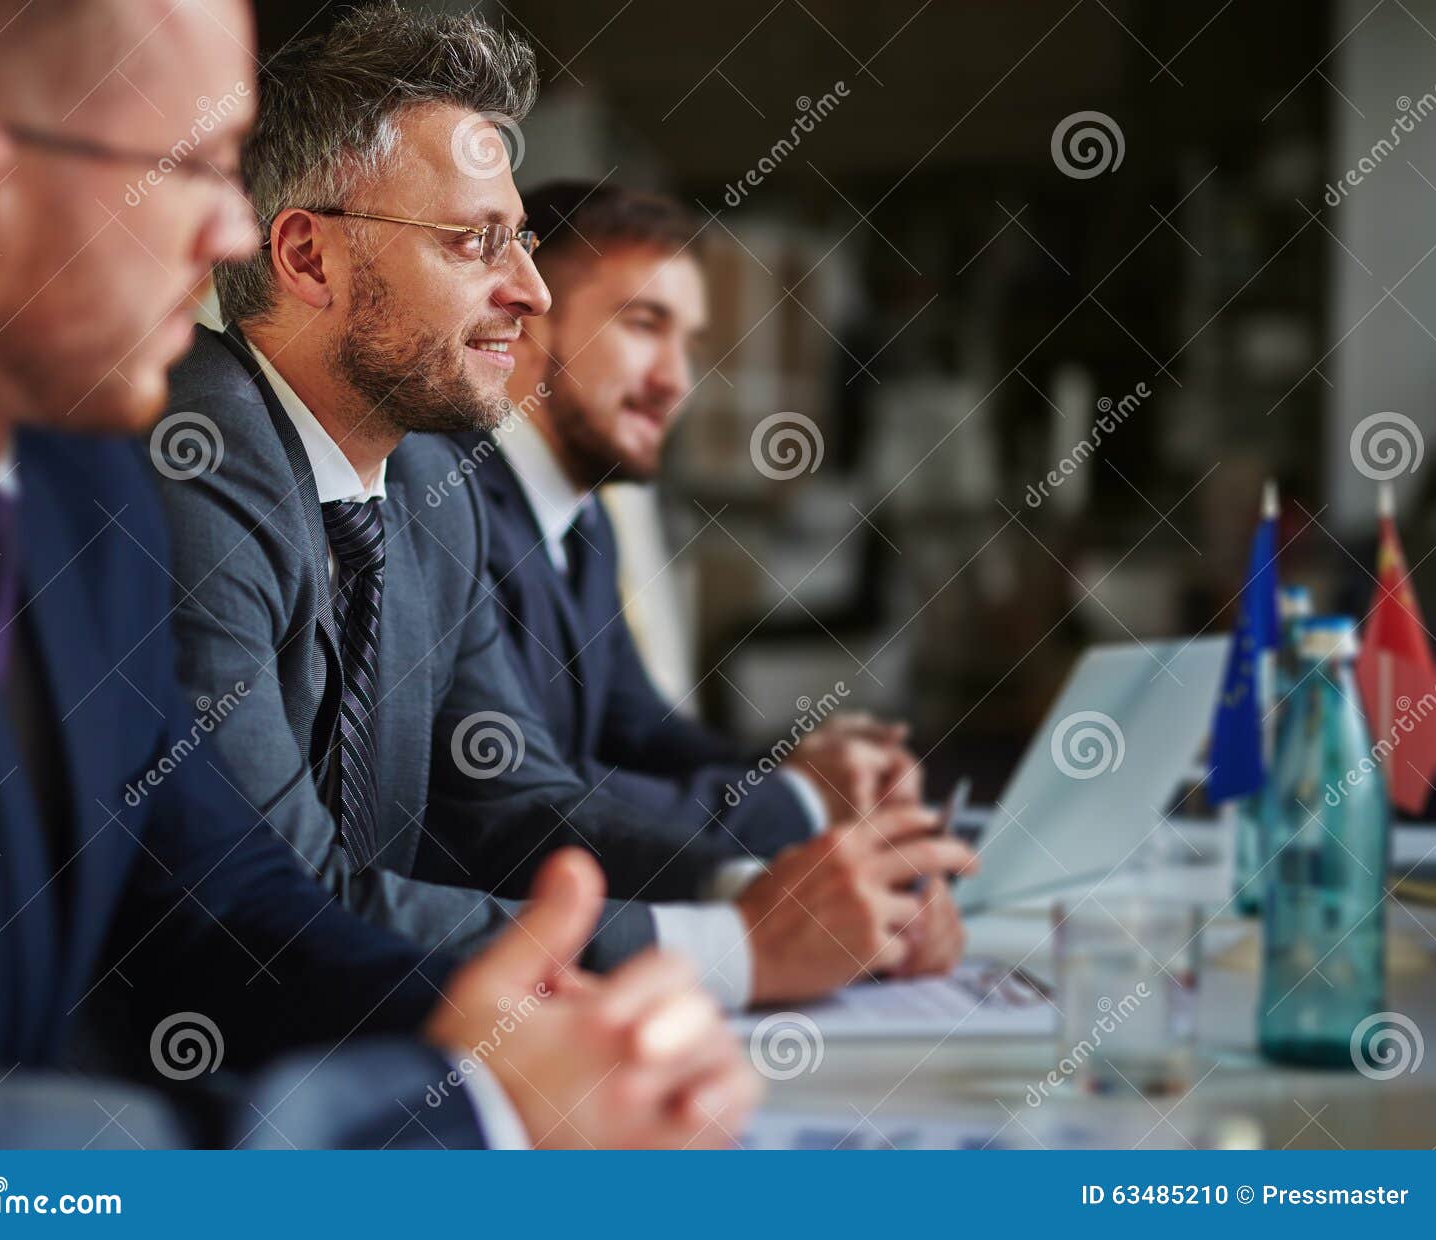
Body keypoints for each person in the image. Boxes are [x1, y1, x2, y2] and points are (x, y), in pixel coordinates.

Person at [0, 0, 754, 1150]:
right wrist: (471, 1115)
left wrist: (521, 1030)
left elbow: (225, 894)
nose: (233, 235)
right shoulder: (170, 458)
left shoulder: (82, 484)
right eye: (193, 168)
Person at [159, 4, 975, 1010]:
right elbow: (278, 901)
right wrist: (732, 950)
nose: (532, 291)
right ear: (307, 258)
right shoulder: (196, 453)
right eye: (475, 242)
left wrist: (770, 896)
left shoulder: (427, 484)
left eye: (523, 244)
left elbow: (509, 806)